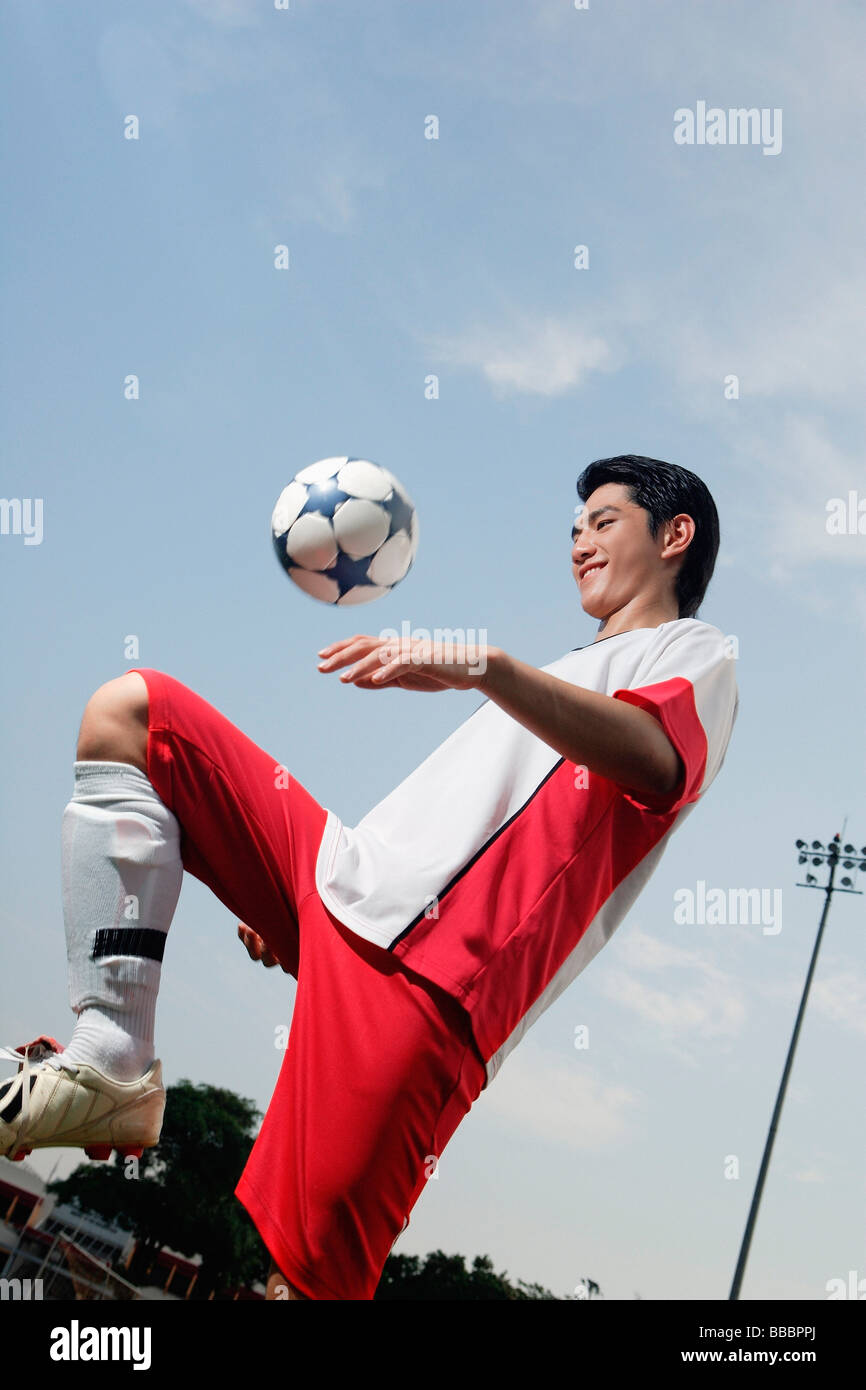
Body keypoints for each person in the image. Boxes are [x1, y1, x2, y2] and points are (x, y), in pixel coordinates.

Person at [0, 454, 738, 1301]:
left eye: (603, 523)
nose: (578, 543)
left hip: (429, 989)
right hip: (344, 882)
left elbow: (654, 760)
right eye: (573, 529)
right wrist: (295, 910)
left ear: (674, 536)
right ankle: (111, 1058)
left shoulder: (697, 653)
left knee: (304, 1288)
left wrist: (485, 666)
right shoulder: (562, 675)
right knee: (133, 711)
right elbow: (455, 826)